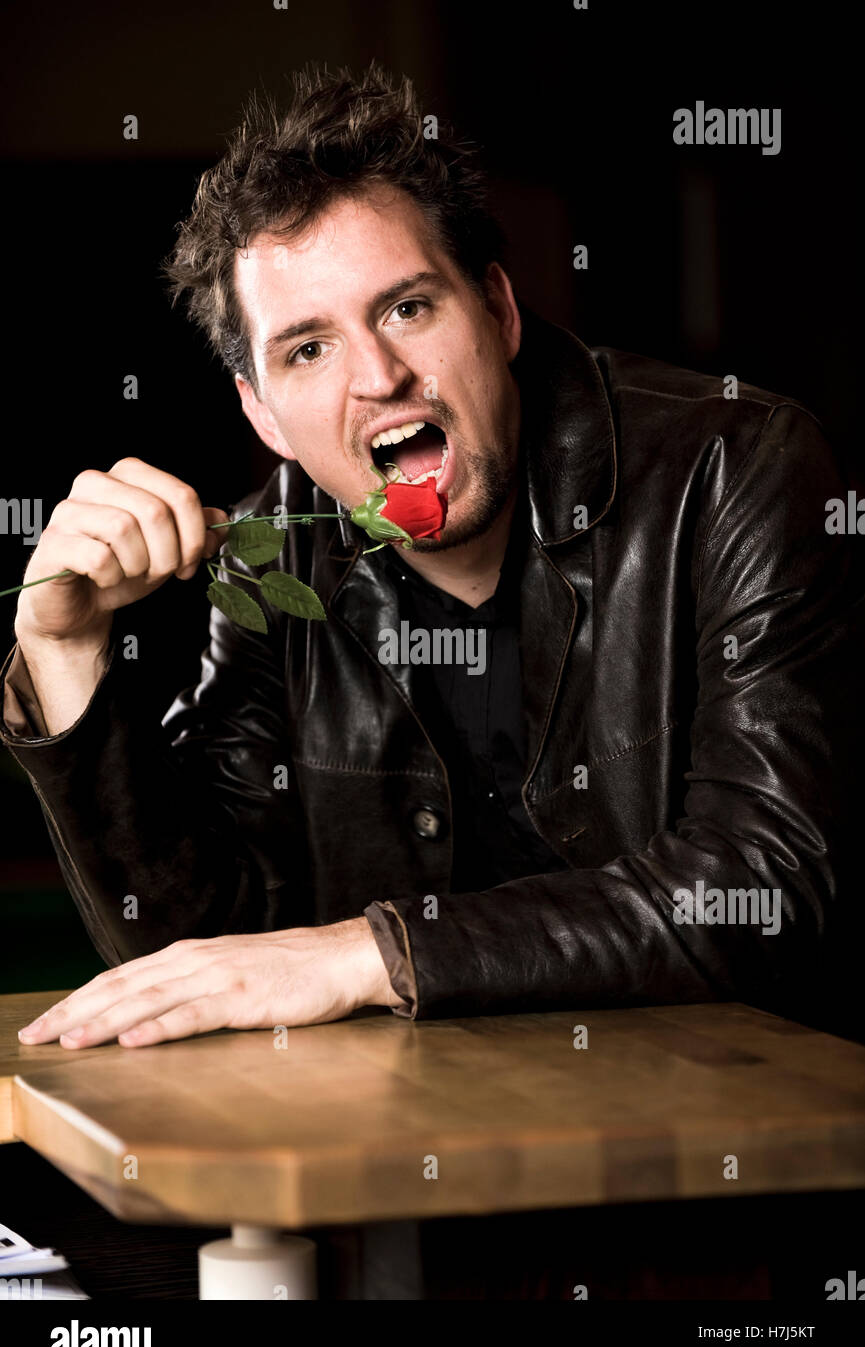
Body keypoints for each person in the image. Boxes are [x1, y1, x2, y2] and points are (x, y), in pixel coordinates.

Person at [3, 62, 862, 1052]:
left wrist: (370, 953)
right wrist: (59, 650)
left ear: (496, 311)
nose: (379, 376)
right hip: (428, 1155)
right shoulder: (269, 563)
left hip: (737, 1138)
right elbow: (202, 952)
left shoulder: (734, 468)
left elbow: (765, 882)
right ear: (263, 413)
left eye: (407, 308)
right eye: (307, 349)